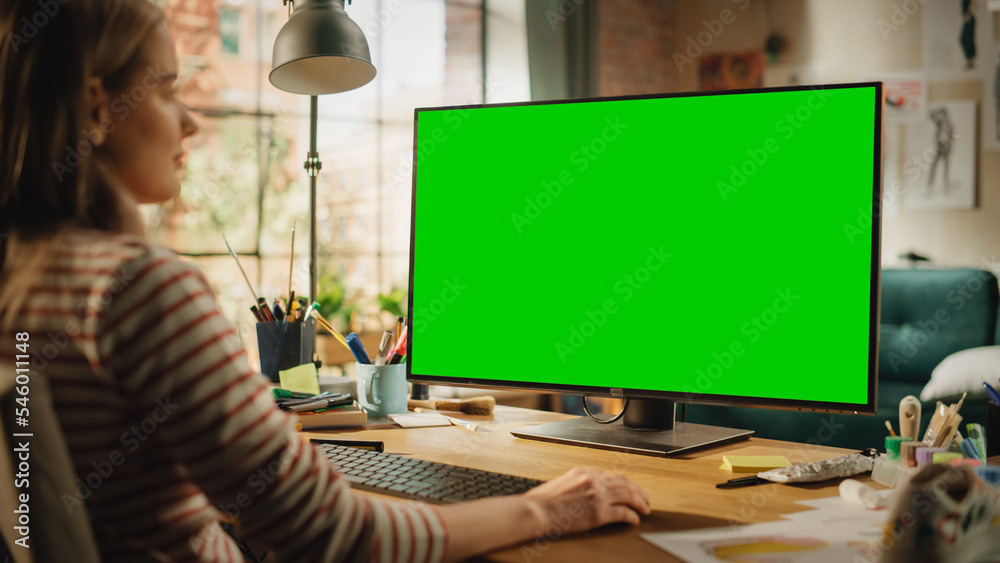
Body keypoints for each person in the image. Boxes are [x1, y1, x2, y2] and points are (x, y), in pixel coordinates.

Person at [0, 1, 650, 561]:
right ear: (96, 107)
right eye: (168, 90)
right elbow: (333, 535)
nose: (191, 122)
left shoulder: (23, 279)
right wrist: (546, 509)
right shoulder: (140, 288)